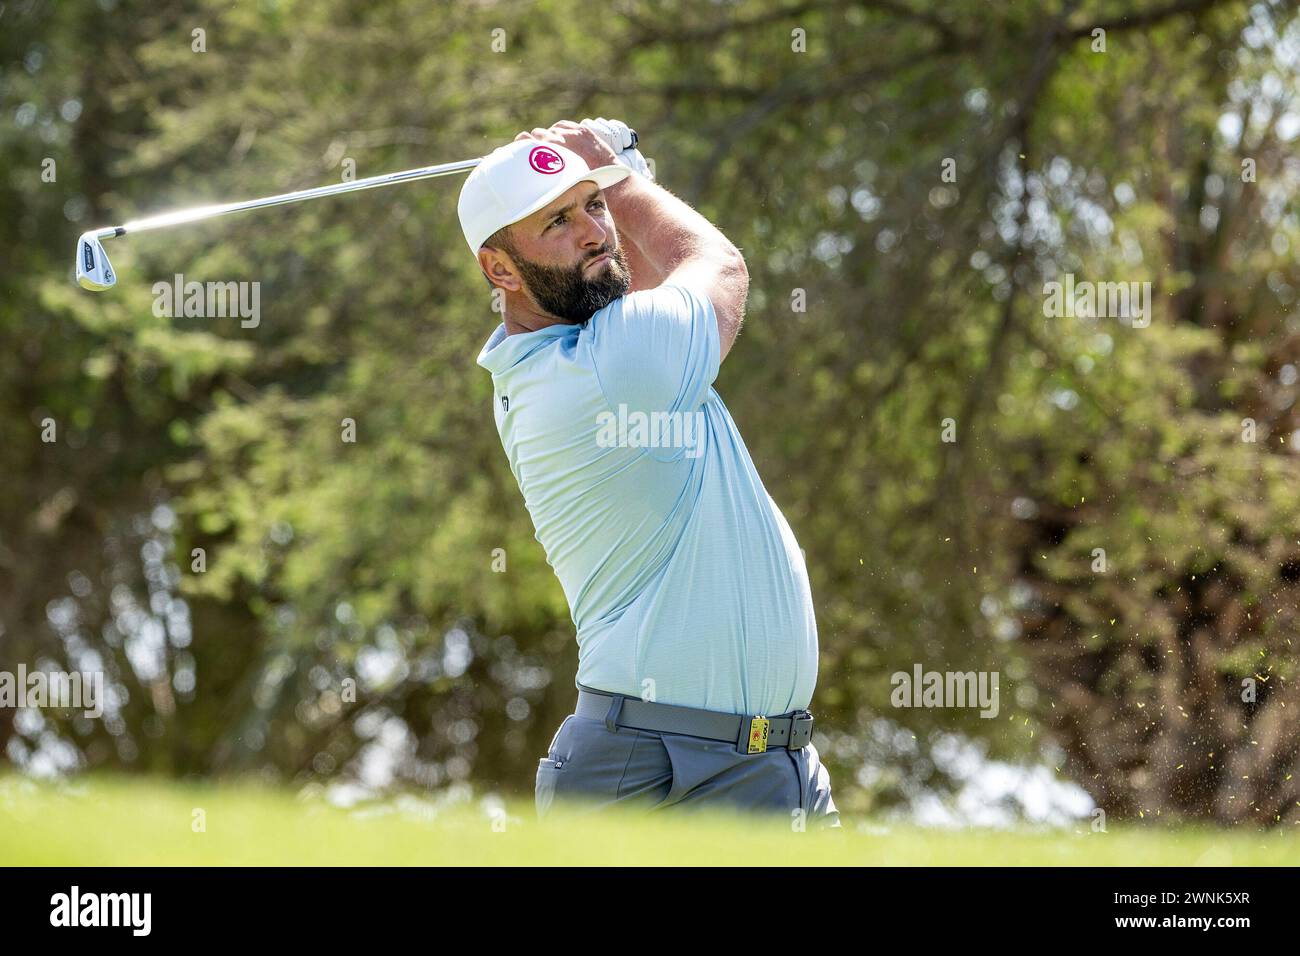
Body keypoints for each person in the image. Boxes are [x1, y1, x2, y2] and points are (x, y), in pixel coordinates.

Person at [459, 118, 839, 828]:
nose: (593, 230)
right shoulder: (611, 368)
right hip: (669, 767)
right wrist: (623, 176)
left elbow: (639, 282)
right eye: (557, 221)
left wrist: (616, 176)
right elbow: (716, 267)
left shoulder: (581, 353)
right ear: (500, 269)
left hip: (761, 762)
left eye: (593, 206)